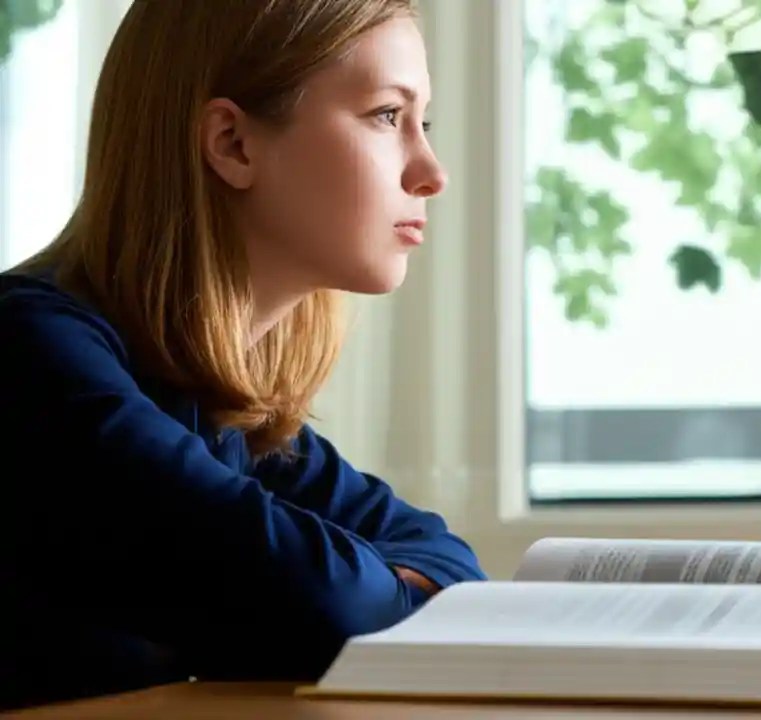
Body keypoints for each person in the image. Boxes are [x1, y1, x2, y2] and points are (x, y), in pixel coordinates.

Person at [0, 0, 486, 709]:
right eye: (387, 116)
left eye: (425, 122)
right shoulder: (31, 356)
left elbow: (457, 573)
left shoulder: (218, 403)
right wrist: (378, 588)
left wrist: (366, 588)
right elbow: (328, 612)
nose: (430, 171)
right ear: (232, 143)